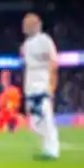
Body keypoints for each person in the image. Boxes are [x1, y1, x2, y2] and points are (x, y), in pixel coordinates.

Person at [20, 13, 60, 159]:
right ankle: (47, 146)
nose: (24, 27)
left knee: (46, 117)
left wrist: (51, 84)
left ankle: (52, 150)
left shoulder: (45, 40)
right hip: (30, 84)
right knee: (34, 122)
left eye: (27, 24)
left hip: (42, 83)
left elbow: (53, 62)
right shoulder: (26, 45)